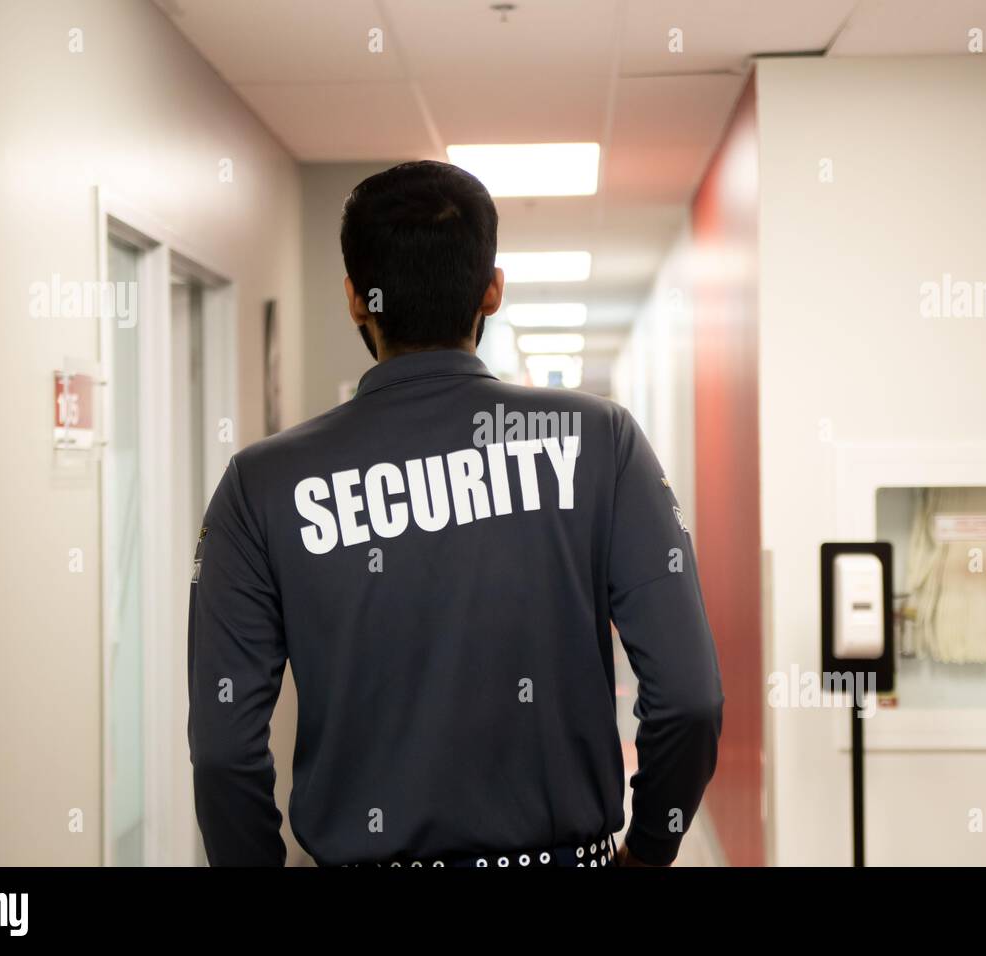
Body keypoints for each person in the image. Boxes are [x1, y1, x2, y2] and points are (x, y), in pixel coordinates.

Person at [187, 160, 724, 868]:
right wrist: (650, 848)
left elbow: (225, 751)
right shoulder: (599, 440)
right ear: (492, 290)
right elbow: (689, 699)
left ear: (355, 298)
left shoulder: (260, 484)